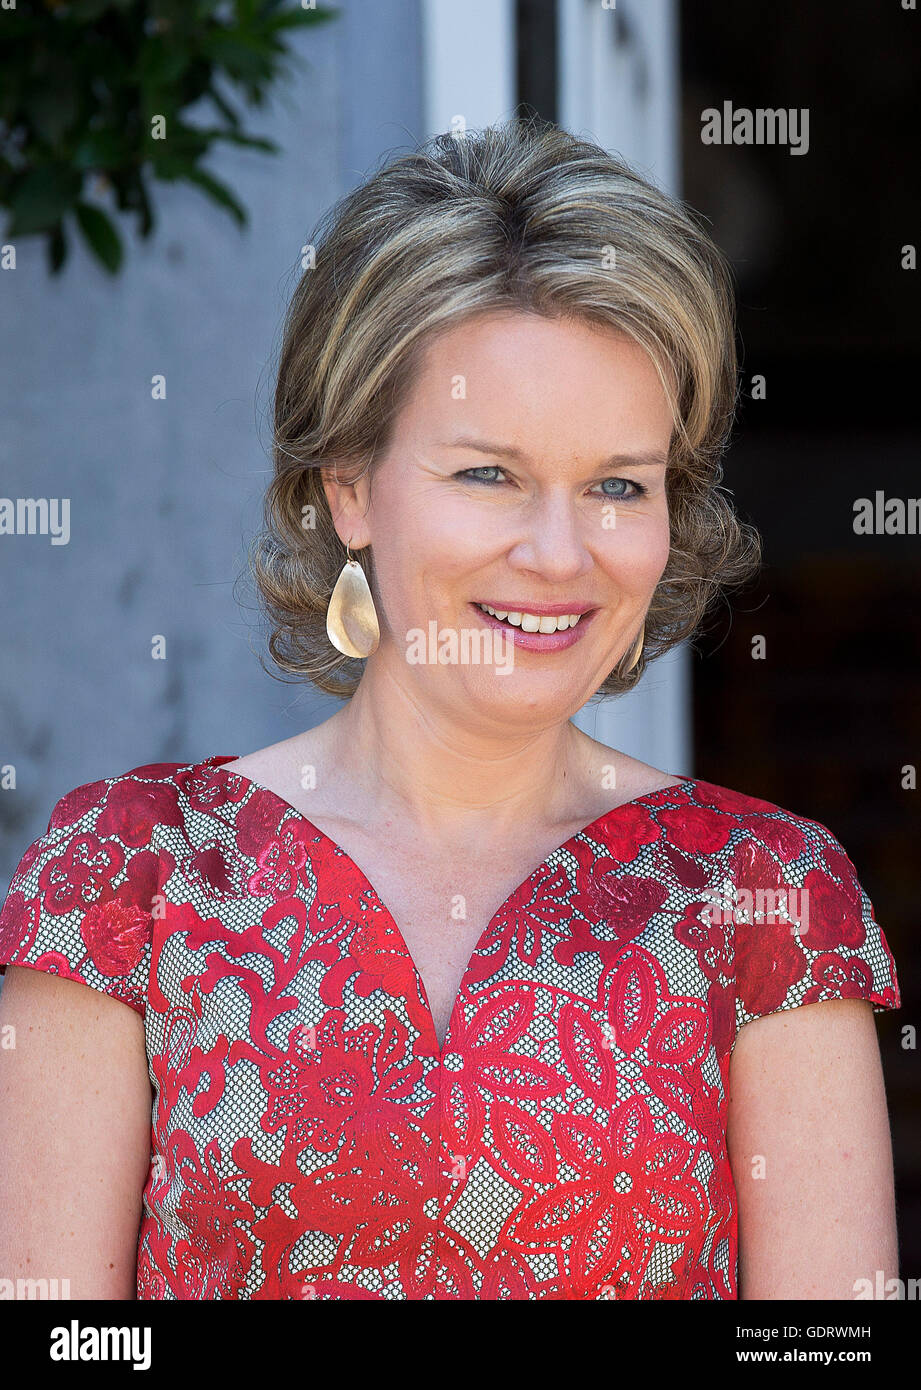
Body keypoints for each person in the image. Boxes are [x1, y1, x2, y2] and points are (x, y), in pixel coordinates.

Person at [0, 119, 900, 1301]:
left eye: (618, 485)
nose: (560, 552)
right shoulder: (129, 877)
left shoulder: (766, 893)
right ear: (351, 487)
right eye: (490, 473)